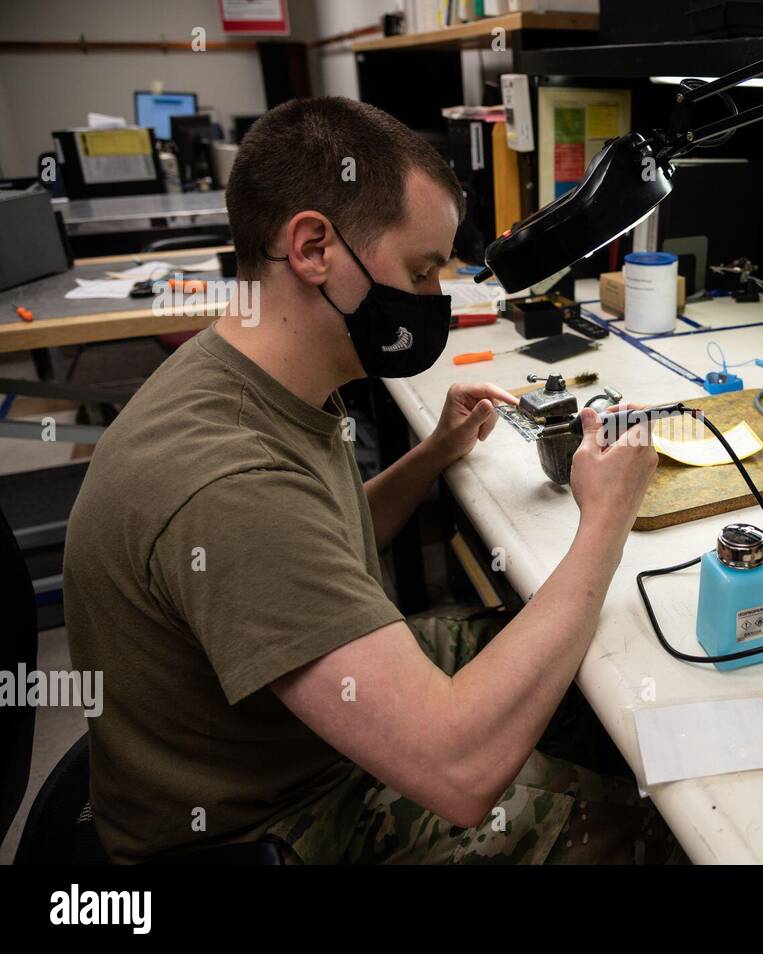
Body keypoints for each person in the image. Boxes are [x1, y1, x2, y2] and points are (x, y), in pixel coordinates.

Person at [64, 97, 674, 864]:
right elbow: (459, 773)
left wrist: (433, 455)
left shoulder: (249, 376)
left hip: (275, 742)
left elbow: (319, 547)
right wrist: (605, 521)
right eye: (421, 270)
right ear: (314, 247)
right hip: (265, 827)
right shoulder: (227, 481)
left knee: (587, 680)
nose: (434, 302)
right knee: (653, 835)